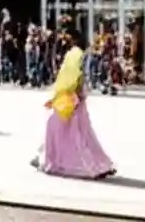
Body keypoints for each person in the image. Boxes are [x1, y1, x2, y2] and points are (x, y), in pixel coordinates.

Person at [32, 28, 115, 179]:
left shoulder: (73, 53)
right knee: (83, 132)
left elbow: (69, 77)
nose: (63, 37)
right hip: (76, 97)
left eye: (65, 34)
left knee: (60, 129)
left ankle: (52, 159)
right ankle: (98, 162)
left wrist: (60, 95)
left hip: (68, 97)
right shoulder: (80, 53)